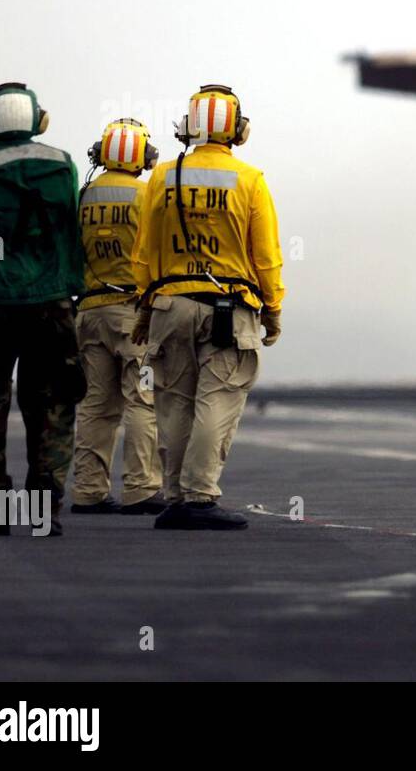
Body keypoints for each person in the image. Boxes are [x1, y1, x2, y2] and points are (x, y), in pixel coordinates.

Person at [131, 85, 285, 531]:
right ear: (238, 131)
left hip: (169, 304)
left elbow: (144, 253)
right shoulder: (250, 181)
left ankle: (175, 495)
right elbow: (267, 257)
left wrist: (145, 308)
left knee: (173, 402)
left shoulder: (161, 177)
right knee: (216, 400)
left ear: (189, 127)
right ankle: (199, 498)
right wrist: (272, 309)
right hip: (229, 309)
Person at [0, 83, 85, 535]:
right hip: (51, 305)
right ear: (39, 120)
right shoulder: (63, 165)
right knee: (52, 403)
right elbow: (71, 221)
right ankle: (43, 508)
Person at [70, 119, 166, 515]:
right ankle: (142, 488)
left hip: (91, 311)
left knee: (95, 405)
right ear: (143, 156)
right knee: (142, 401)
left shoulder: (84, 196)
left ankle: (88, 491)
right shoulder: (148, 195)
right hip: (134, 315)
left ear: (100, 153)